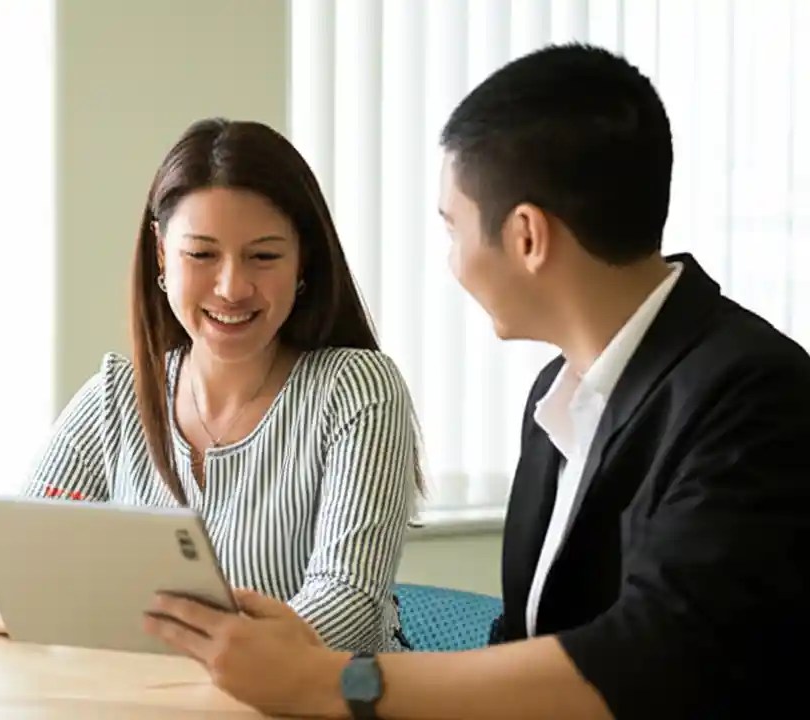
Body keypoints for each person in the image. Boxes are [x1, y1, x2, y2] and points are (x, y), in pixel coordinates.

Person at [143, 43, 810, 719]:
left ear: (526, 237)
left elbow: (652, 658)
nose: (454, 260)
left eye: (453, 227)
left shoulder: (753, 393)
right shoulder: (560, 399)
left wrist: (334, 681)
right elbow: (527, 646)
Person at [0, 117, 426, 655]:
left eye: (264, 256)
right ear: (160, 254)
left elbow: (348, 607)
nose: (232, 287)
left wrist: (121, 624)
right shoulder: (118, 395)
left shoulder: (358, 390)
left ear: (302, 261)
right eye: (201, 254)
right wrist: (46, 604)